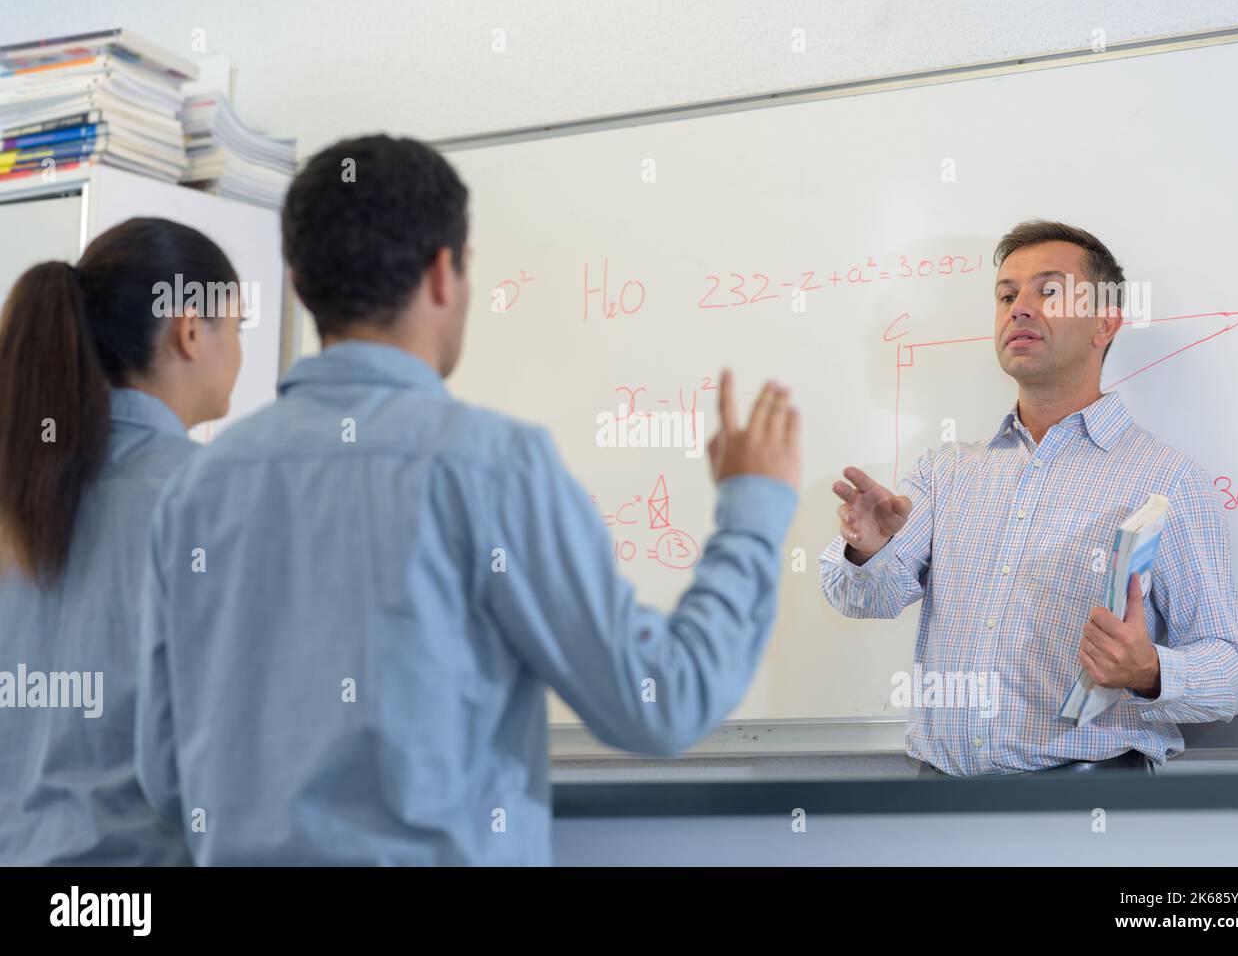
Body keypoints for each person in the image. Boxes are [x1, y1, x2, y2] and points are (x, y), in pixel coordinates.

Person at [135, 135, 801, 864]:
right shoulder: (492, 466)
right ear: (444, 273)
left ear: (296, 283)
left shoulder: (197, 487)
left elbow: (168, 776)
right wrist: (753, 508)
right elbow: (663, 699)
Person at [821, 220, 1238, 776]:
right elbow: (865, 601)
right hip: (938, 806)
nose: (1019, 308)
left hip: (1088, 810)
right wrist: (868, 552)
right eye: (1007, 295)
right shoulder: (947, 472)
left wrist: (1149, 670)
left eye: (1048, 291)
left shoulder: (1168, 481)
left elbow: (1232, 674)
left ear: (1105, 323)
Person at [0, 218, 243, 862]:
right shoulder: (210, 499)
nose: (240, 352)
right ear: (190, 330)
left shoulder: (18, 489)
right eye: (237, 328)